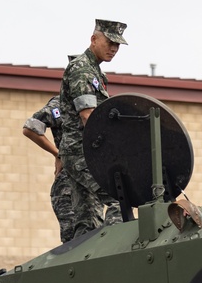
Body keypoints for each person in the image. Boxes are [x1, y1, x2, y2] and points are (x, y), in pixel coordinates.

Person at [57, 19, 128, 239]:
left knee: (87, 219)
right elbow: (88, 116)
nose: (114, 49)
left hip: (80, 151)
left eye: (118, 45)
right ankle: (118, 247)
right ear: (94, 39)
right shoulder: (82, 69)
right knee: (119, 198)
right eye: (110, 42)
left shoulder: (95, 71)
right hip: (81, 151)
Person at [22, 95, 77, 243]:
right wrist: (59, 154)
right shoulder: (64, 103)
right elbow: (30, 128)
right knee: (75, 242)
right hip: (69, 186)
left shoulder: (98, 106)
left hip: (94, 186)